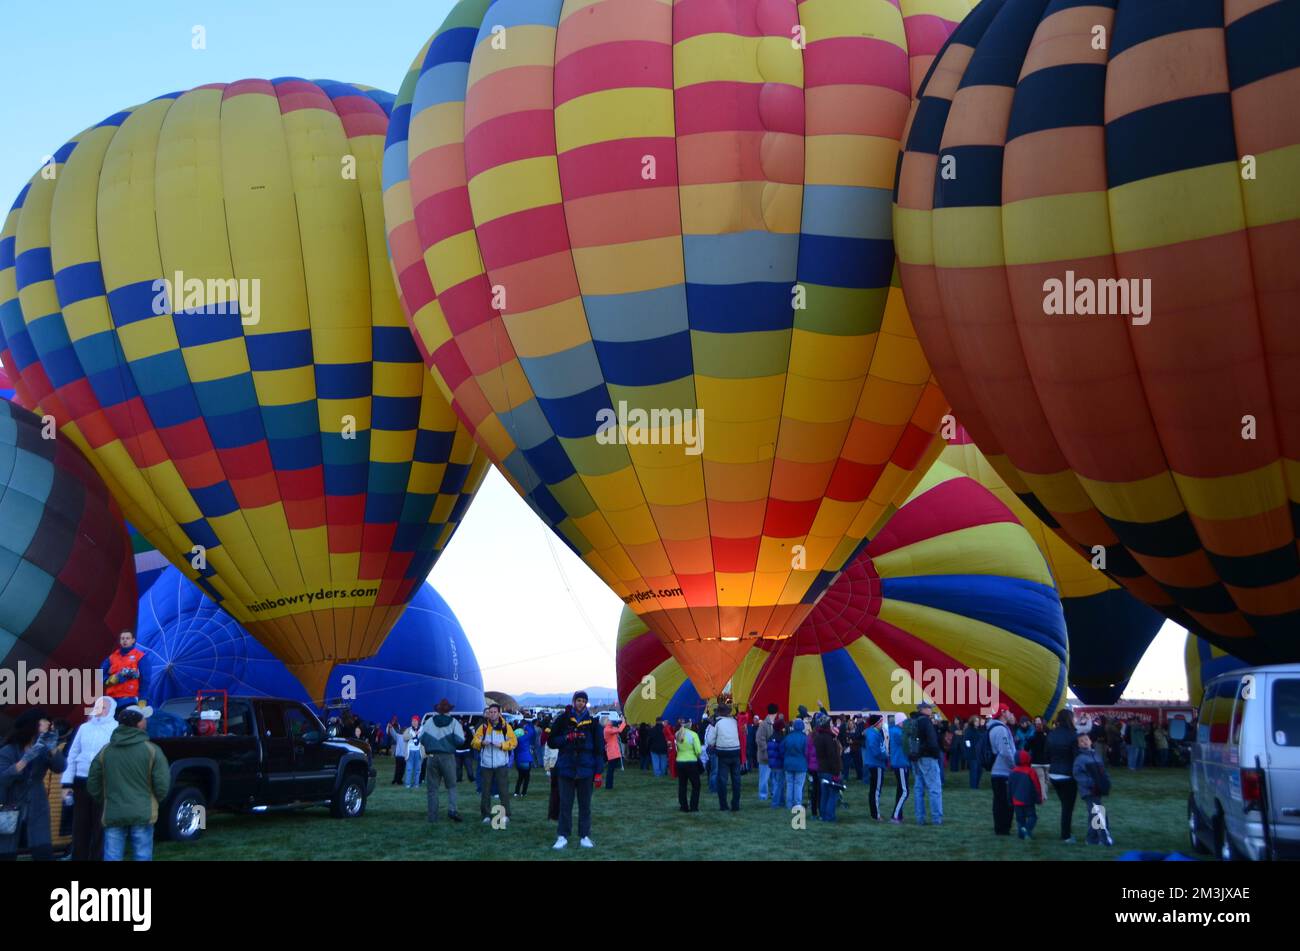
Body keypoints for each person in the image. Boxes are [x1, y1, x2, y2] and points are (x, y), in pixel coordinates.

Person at [86, 705, 170, 861]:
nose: (146, 721)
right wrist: (154, 801)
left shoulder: (106, 751)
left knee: (112, 856)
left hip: (113, 811)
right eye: (144, 718)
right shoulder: (152, 750)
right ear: (139, 724)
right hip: (143, 812)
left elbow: (93, 782)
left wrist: (105, 799)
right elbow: (162, 784)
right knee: (142, 856)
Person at [0, 708, 67, 862]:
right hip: (11, 802)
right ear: (32, 725)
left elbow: (60, 767)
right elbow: (3, 778)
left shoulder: (43, 748)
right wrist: (26, 759)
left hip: (37, 802)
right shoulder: (8, 750)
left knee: (42, 848)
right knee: (5, 850)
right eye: (44, 721)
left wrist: (52, 749)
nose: (48, 724)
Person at [60, 696, 118, 860]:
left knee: (100, 825)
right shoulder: (84, 728)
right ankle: (78, 856)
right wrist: (66, 783)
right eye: (98, 706)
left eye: (104, 707)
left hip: (103, 783)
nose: (100, 710)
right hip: (81, 781)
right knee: (80, 824)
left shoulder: (115, 729)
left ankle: (97, 857)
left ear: (110, 710)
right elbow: (72, 755)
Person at [549, 691, 603, 849]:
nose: (580, 703)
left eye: (583, 701)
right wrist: (567, 738)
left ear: (586, 703)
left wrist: (598, 772)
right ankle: (562, 835)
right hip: (566, 767)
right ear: (573, 702)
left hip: (586, 769)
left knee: (585, 805)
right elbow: (551, 741)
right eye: (578, 700)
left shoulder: (593, 723)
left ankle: (584, 835)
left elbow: (600, 750)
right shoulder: (563, 720)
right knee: (565, 804)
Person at [419, 699, 464, 822]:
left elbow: (421, 738)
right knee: (451, 786)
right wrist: (449, 743)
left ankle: (432, 817)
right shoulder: (454, 723)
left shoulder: (429, 722)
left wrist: (432, 744)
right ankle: (452, 810)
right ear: (449, 710)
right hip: (448, 757)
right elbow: (460, 740)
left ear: (437, 710)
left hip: (432, 757)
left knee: (432, 788)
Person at [472, 704, 517, 826]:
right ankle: (486, 815)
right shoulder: (483, 727)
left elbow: (513, 742)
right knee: (485, 791)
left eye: (494, 712)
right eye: (490, 712)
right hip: (486, 764)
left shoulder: (505, 727)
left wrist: (502, 745)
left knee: (503, 791)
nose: (492, 714)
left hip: (501, 764)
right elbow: (474, 742)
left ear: (499, 713)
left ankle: (505, 815)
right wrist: (481, 743)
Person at [1046, 708, 1079, 842]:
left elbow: (1046, 755)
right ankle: (1066, 835)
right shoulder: (1073, 735)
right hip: (1068, 775)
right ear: (1070, 719)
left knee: (1065, 805)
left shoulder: (1051, 734)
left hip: (1054, 774)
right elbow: (1076, 756)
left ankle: (1067, 832)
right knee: (1067, 807)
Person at [1073, 735, 1112, 846]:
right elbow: (1078, 775)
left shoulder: (1096, 755)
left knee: (1094, 814)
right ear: (1078, 745)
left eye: (1086, 739)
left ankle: (1091, 839)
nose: (1084, 742)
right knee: (1099, 813)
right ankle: (1104, 839)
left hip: (1098, 789)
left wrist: (1106, 782)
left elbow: (1103, 771)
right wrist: (1091, 784)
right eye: (1081, 741)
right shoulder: (1080, 759)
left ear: (1090, 741)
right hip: (1089, 791)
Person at [988, 704, 1018, 836]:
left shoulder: (993, 728)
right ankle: (1003, 829)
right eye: (1009, 711)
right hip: (1003, 771)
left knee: (999, 801)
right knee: (1005, 802)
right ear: (1003, 713)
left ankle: (1000, 828)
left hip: (997, 771)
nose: (1011, 714)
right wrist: (1014, 766)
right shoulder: (1001, 730)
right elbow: (1006, 752)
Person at [911, 702, 943, 825]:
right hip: (928, 758)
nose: (931, 710)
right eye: (929, 708)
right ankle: (936, 818)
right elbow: (932, 741)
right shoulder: (926, 721)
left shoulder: (914, 720)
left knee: (919, 789)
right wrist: (936, 754)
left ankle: (920, 818)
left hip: (916, 758)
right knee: (934, 788)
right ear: (923, 709)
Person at [100, 630, 147, 704]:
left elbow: (145, 680)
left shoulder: (140, 657)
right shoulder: (112, 657)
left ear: (133, 640)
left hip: (130, 698)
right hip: (112, 699)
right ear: (120, 641)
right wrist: (107, 680)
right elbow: (100, 673)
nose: (125, 640)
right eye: (122, 638)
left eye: (127, 638)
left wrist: (142, 698)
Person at [712, 704, 743, 812]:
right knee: (736, 779)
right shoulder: (735, 721)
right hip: (735, 751)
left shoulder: (718, 723)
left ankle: (723, 805)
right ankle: (736, 805)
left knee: (723, 780)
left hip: (723, 752)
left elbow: (711, 741)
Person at [812, 714, 843, 822]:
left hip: (821, 769)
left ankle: (823, 815)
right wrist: (836, 772)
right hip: (829, 770)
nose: (832, 725)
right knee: (832, 794)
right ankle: (829, 816)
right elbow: (832, 756)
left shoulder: (818, 737)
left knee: (824, 794)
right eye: (830, 723)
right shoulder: (829, 738)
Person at [1009, 750, 1044, 839]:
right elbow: (1037, 786)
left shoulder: (1012, 772)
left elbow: (1009, 787)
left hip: (1016, 800)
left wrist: (1009, 799)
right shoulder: (1030, 771)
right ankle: (1026, 830)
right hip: (1028, 800)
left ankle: (1021, 835)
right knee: (1032, 817)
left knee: (1020, 819)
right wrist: (1039, 798)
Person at [675, 718, 703, 812]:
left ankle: (683, 806)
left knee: (682, 785)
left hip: (680, 761)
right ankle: (694, 806)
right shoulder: (693, 735)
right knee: (696, 785)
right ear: (689, 724)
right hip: (691, 761)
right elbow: (698, 750)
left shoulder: (677, 734)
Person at [864, 714, 887, 821]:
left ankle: (874, 813)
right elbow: (876, 751)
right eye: (881, 722)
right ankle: (876, 815)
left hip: (877, 763)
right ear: (876, 723)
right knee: (876, 790)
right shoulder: (873, 734)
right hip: (876, 764)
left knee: (874, 789)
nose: (882, 724)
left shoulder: (875, 732)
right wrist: (885, 756)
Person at [887, 713, 910, 823]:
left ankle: (898, 815)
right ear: (900, 722)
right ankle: (895, 816)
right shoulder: (897, 732)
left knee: (900, 790)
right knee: (905, 792)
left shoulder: (896, 731)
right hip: (900, 763)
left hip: (901, 762)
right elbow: (907, 743)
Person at [782, 717, 808, 811]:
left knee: (789, 784)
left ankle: (789, 804)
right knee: (798, 785)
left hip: (788, 764)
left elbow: (782, 749)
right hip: (801, 764)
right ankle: (797, 804)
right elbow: (807, 752)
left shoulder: (788, 737)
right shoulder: (805, 738)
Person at [754, 704, 777, 802]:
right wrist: (768, 749)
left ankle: (773, 794)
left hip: (773, 756)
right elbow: (759, 739)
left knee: (774, 778)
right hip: (765, 757)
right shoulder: (763, 724)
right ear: (776, 713)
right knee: (764, 778)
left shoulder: (774, 723)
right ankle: (763, 796)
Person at [601, 715, 627, 791]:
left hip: (613, 751)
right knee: (610, 770)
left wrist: (621, 723)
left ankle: (609, 786)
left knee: (611, 770)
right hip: (612, 752)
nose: (610, 720)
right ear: (605, 722)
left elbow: (617, 729)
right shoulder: (607, 730)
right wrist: (624, 722)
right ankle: (608, 786)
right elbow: (619, 730)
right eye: (608, 720)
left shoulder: (608, 729)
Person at [766, 717, 786, 808]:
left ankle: (781, 801)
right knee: (779, 784)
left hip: (772, 764)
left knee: (777, 783)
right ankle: (775, 803)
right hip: (779, 764)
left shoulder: (771, 738)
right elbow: (782, 753)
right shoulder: (781, 738)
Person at [515, 718, 537, 798]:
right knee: (526, 778)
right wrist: (526, 726)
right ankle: (524, 792)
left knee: (520, 777)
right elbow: (531, 732)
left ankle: (516, 792)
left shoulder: (516, 740)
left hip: (518, 760)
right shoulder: (524, 739)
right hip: (526, 759)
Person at [402, 715, 423, 789]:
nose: (414, 722)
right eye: (412, 721)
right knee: (409, 768)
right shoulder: (409, 729)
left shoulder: (422, 729)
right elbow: (404, 737)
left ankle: (416, 784)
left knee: (418, 769)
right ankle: (408, 784)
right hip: (410, 751)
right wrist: (413, 735)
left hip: (418, 751)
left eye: (415, 721)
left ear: (418, 721)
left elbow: (425, 738)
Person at [965, 716, 984, 789]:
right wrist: (970, 748)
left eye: (978, 721)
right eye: (976, 721)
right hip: (972, 753)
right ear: (972, 722)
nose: (977, 722)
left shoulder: (979, 729)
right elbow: (967, 741)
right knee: (974, 770)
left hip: (979, 753)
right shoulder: (969, 730)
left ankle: (977, 785)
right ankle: (973, 786)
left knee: (979, 770)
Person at [387, 716, 407, 785]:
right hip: (399, 756)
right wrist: (390, 727)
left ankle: (399, 780)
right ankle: (396, 780)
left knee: (401, 769)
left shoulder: (407, 738)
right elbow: (393, 733)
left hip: (404, 756)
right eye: (404, 730)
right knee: (398, 769)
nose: (404, 731)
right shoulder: (399, 736)